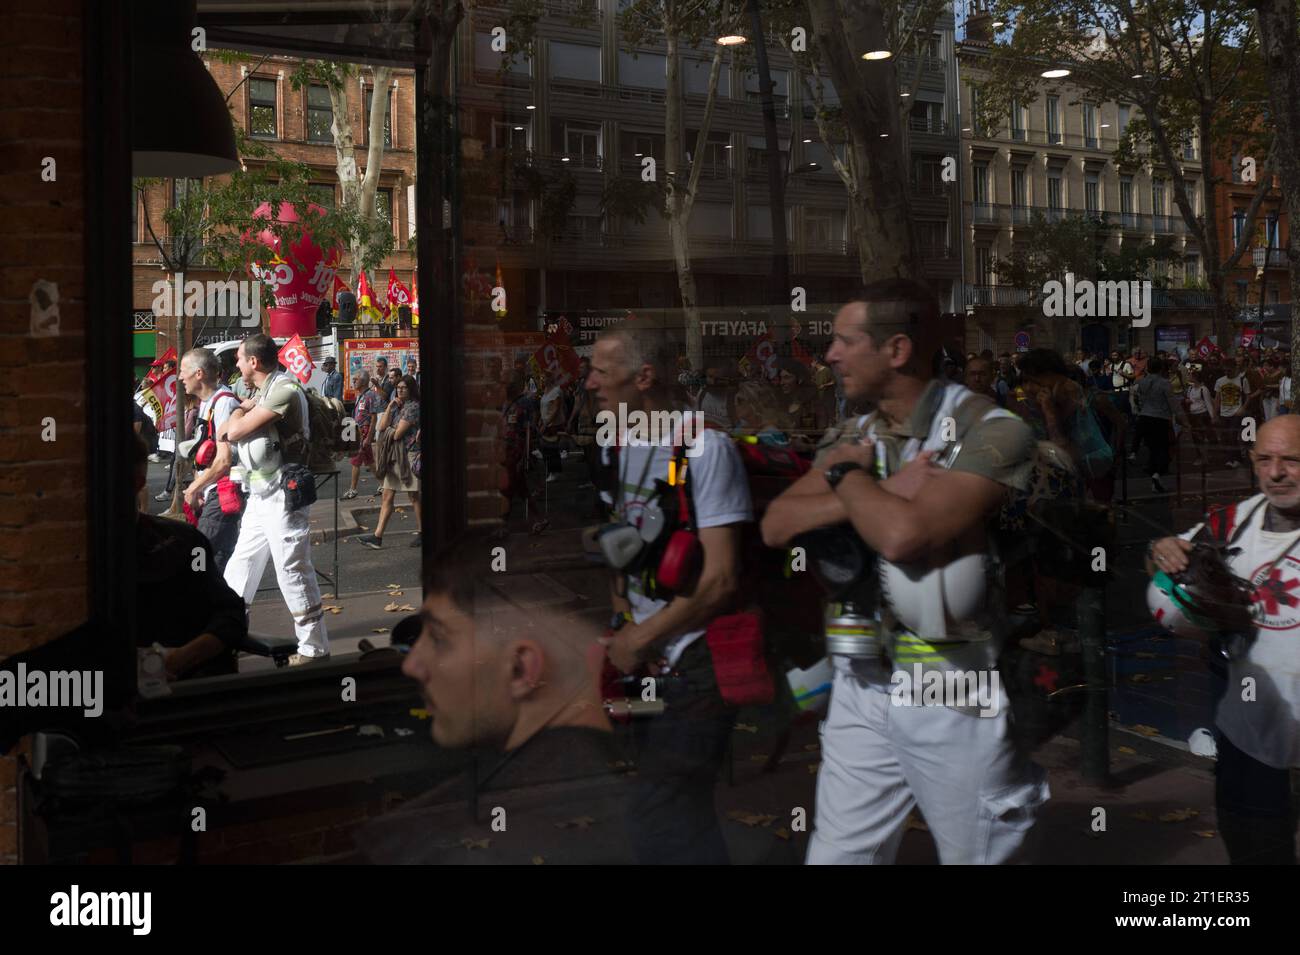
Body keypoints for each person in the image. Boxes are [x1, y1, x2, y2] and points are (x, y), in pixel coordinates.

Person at [762, 279, 1048, 865]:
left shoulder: (994, 431)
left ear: (895, 350)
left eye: (844, 341)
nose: (830, 355)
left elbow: (905, 535)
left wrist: (846, 479)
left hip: (949, 689)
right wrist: (880, 488)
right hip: (858, 685)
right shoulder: (853, 436)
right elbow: (777, 522)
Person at [354, 533, 635, 864]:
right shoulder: (635, 800)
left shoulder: (433, 845)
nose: (413, 665)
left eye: (440, 640)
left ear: (519, 669)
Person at [587, 320, 752, 864]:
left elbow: (722, 579)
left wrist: (643, 638)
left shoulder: (706, 448)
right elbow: (621, 542)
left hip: (696, 666)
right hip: (647, 663)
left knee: (658, 812)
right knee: (680, 815)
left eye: (600, 372)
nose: (589, 383)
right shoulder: (619, 443)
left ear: (644, 378)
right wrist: (622, 625)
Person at [1146, 415, 1300, 863]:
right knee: (1254, 849)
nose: (1276, 472)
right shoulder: (1231, 523)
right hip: (1248, 734)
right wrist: (1161, 549)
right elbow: (1167, 560)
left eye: (1292, 460)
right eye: (1265, 459)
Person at [219, 333, 330, 664]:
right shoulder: (259, 392)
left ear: (253, 362)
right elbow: (224, 429)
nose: (236, 365)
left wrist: (239, 414)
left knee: (292, 568)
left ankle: (314, 649)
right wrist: (242, 410)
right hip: (260, 493)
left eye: (239, 359)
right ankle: (228, 634)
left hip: (284, 493)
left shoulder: (283, 388)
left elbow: (234, 431)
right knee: (240, 567)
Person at [179, 347, 244, 573]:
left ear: (199, 374)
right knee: (215, 563)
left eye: (183, 371)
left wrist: (194, 488)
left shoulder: (224, 403)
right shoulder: (206, 403)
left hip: (222, 493)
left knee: (199, 557)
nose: (179, 377)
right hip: (212, 493)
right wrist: (198, 489)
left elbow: (224, 461)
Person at [358, 374, 422, 549]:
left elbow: (397, 434)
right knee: (387, 495)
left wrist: (390, 429)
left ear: (411, 389)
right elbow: (381, 427)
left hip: (408, 455)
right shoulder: (397, 405)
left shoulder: (413, 407)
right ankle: (377, 537)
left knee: (414, 496)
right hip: (394, 456)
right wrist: (390, 407)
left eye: (404, 388)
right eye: (398, 388)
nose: (400, 390)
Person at [1133, 357, 1176, 493]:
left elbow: (1138, 399)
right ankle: (1157, 474)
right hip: (1160, 418)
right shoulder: (1164, 383)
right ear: (1161, 368)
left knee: (1152, 448)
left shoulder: (1142, 382)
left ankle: (1154, 477)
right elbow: (1173, 403)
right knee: (1163, 448)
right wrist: (1182, 418)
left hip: (1145, 417)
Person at [344, 375, 382, 500]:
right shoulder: (359, 395)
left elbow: (374, 418)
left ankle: (353, 489)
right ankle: (383, 484)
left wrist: (369, 437)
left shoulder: (370, 395)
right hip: (358, 431)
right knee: (370, 462)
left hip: (364, 432)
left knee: (355, 461)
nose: (353, 381)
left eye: (356, 379)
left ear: (365, 381)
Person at [1215, 357, 1251, 469]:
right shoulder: (1220, 381)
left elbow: (1248, 396)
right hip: (1223, 413)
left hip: (1236, 412)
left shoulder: (1242, 380)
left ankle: (1233, 459)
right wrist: (1215, 414)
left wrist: (1243, 408)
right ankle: (1235, 458)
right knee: (1226, 436)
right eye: (1225, 370)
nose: (1227, 373)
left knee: (1232, 435)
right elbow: (1217, 398)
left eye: (1229, 370)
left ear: (1235, 368)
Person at [1182, 367, 1214, 468]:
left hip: (1202, 415)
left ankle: (1204, 457)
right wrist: (1188, 401)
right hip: (1193, 415)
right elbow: (1188, 399)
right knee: (1195, 438)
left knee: (1202, 437)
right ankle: (1202, 456)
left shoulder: (1203, 389)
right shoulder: (1190, 388)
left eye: (1191, 375)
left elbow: (1208, 404)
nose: (1189, 377)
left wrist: (1212, 417)